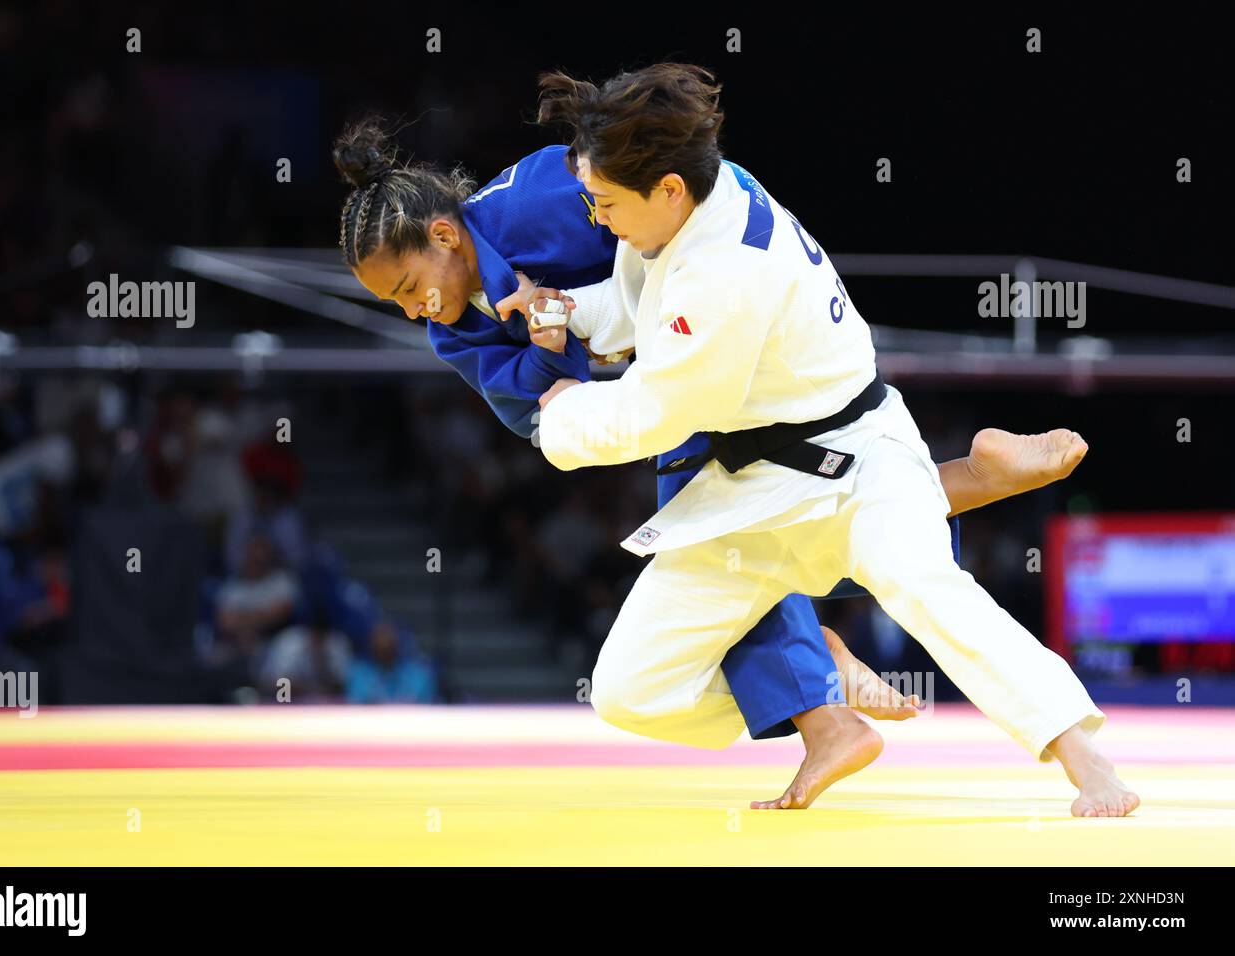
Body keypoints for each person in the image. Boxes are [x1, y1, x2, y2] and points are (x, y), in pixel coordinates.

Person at [333, 117, 1097, 808]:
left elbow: (647, 196)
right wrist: (551, 348)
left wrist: (584, 325)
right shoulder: (452, 333)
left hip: (719, 335)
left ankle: (830, 706)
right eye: (393, 304)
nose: (413, 312)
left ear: (442, 235)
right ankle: (849, 667)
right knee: (790, 504)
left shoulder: (542, 194)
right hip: (651, 378)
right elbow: (531, 411)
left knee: (767, 506)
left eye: (408, 288)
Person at [530, 63, 1137, 817]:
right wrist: (570, 311)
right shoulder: (700, 192)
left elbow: (664, 410)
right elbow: (648, 305)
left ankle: (1089, 760)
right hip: (750, 495)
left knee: (923, 586)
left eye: (607, 202)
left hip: (858, 465)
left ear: (668, 191)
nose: (598, 217)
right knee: (629, 694)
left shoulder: (727, 269)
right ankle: (825, 676)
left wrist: (557, 415)